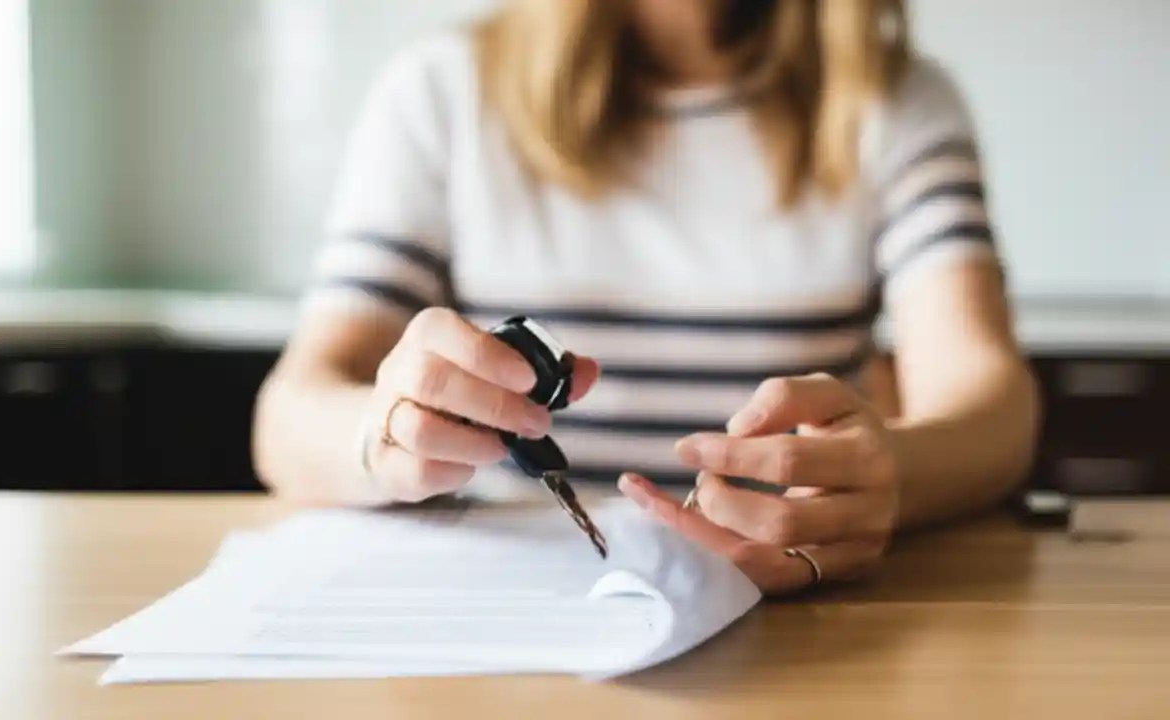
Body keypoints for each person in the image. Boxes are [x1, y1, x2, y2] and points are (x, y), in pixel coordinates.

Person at [252, 0, 1039, 595]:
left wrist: (887, 477)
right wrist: (382, 438)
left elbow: (992, 407)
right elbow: (287, 417)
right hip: (502, 612)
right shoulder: (441, 93)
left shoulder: (896, 103)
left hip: (804, 621)